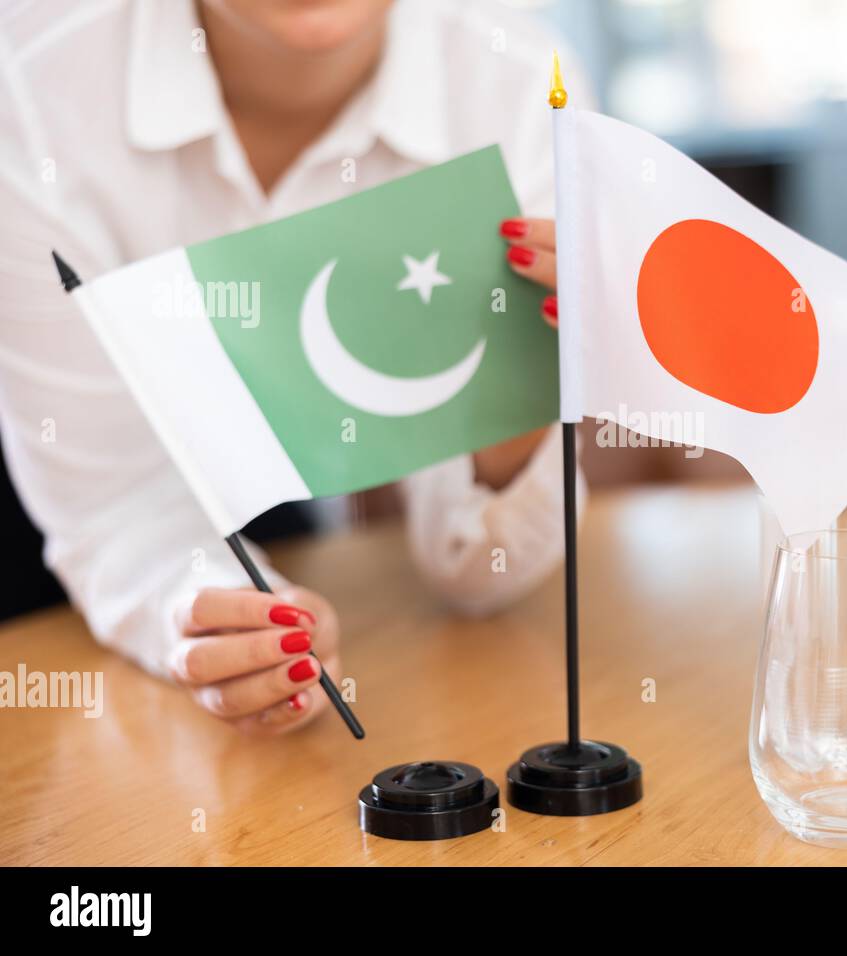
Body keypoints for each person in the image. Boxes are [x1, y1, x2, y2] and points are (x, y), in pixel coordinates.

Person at [0, 0, 583, 733]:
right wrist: (210, 617)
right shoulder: (29, 86)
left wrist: (524, 396)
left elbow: (479, 575)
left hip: (283, 526)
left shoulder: (520, 81)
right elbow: (114, 509)